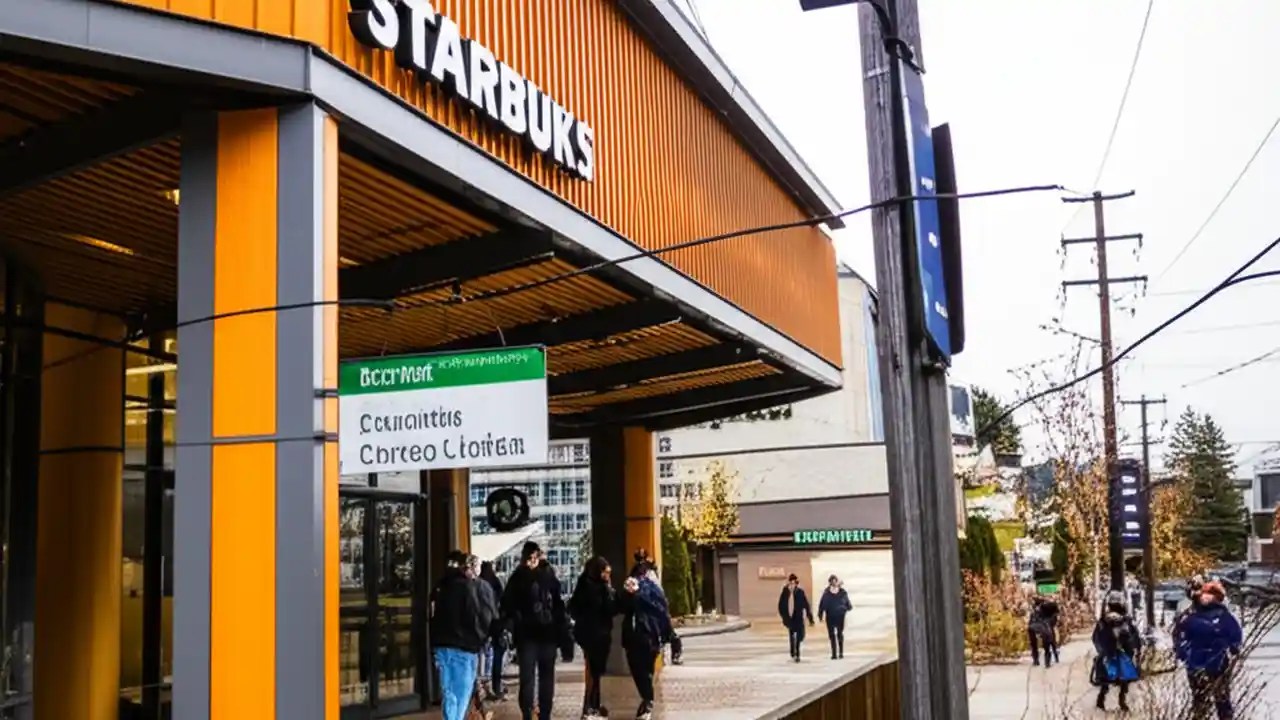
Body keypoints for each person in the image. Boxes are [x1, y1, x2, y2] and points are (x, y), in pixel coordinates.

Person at [501, 541, 569, 720]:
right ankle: (541, 714)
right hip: (543, 634)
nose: (532, 561)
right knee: (542, 677)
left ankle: (530, 714)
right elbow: (559, 605)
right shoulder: (547, 575)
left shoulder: (519, 577)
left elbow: (507, 605)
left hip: (530, 635)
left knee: (530, 677)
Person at [430, 550, 496, 720]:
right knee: (461, 694)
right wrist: (480, 639)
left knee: (449, 692)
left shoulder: (440, 587)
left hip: (442, 646)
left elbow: (431, 616)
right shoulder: (469, 587)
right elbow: (475, 616)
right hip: (464, 647)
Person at [1174, 581, 1242, 720]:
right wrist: (1183, 651)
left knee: (1221, 699)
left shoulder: (1224, 617)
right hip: (1197, 661)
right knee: (1201, 699)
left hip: (1218, 662)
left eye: (1211, 595)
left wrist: (1233, 648)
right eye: (1205, 595)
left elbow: (1235, 635)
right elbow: (1180, 635)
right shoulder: (1191, 618)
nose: (1206, 598)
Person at [619, 561, 671, 720]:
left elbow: (623, 608)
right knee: (646, 671)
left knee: (639, 670)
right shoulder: (656, 589)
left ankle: (647, 701)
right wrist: (668, 636)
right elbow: (664, 612)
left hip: (638, 635)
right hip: (652, 636)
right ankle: (647, 701)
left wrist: (634, 594)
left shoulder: (642, 588)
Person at [568, 556, 617, 720]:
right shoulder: (599, 589)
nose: (607, 576)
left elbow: (572, 607)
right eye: (605, 572)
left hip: (588, 635)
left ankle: (593, 705)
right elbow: (610, 609)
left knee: (593, 672)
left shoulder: (584, 584)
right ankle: (590, 707)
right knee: (594, 673)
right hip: (596, 636)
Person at [1092, 593, 1140, 712]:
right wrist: (1134, 649)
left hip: (1108, 654)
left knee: (1104, 677)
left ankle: (1101, 698)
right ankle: (1121, 699)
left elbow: (1096, 637)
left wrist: (1102, 650)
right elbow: (1134, 638)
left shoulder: (1103, 621)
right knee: (1126, 675)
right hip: (1121, 654)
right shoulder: (1126, 621)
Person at [478, 561, 507, 700]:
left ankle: (482, 686)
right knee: (496, 655)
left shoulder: (478, 583)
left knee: (482, 655)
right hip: (495, 624)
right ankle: (495, 685)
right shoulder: (495, 582)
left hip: (481, 625)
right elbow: (503, 601)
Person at [778, 574, 815, 662]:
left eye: (794, 583)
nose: (792, 585)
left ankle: (795, 650)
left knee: (800, 636)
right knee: (792, 636)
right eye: (791, 583)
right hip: (789, 618)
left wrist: (810, 618)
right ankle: (795, 653)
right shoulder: (785, 592)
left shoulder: (800, 592)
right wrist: (784, 617)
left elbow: (806, 605)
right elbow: (781, 605)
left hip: (798, 617)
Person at [817, 575, 852, 660]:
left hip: (839, 615)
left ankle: (840, 652)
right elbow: (822, 605)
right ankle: (834, 653)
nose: (834, 583)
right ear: (830, 583)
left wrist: (846, 608)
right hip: (830, 616)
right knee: (832, 635)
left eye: (835, 581)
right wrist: (820, 615)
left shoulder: (842, 592)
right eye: (832, 582)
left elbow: (847, 603)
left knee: (839, 634)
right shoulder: (827, 593)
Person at [1028, 595, 1061, 667]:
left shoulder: (1040, 609)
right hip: (1042, 627)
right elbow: (1056, 610)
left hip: (1036, 626)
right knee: (1048, 643)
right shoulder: (1043, 608)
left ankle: (1037, 660)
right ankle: (1046, 661)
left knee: (1038, 643)